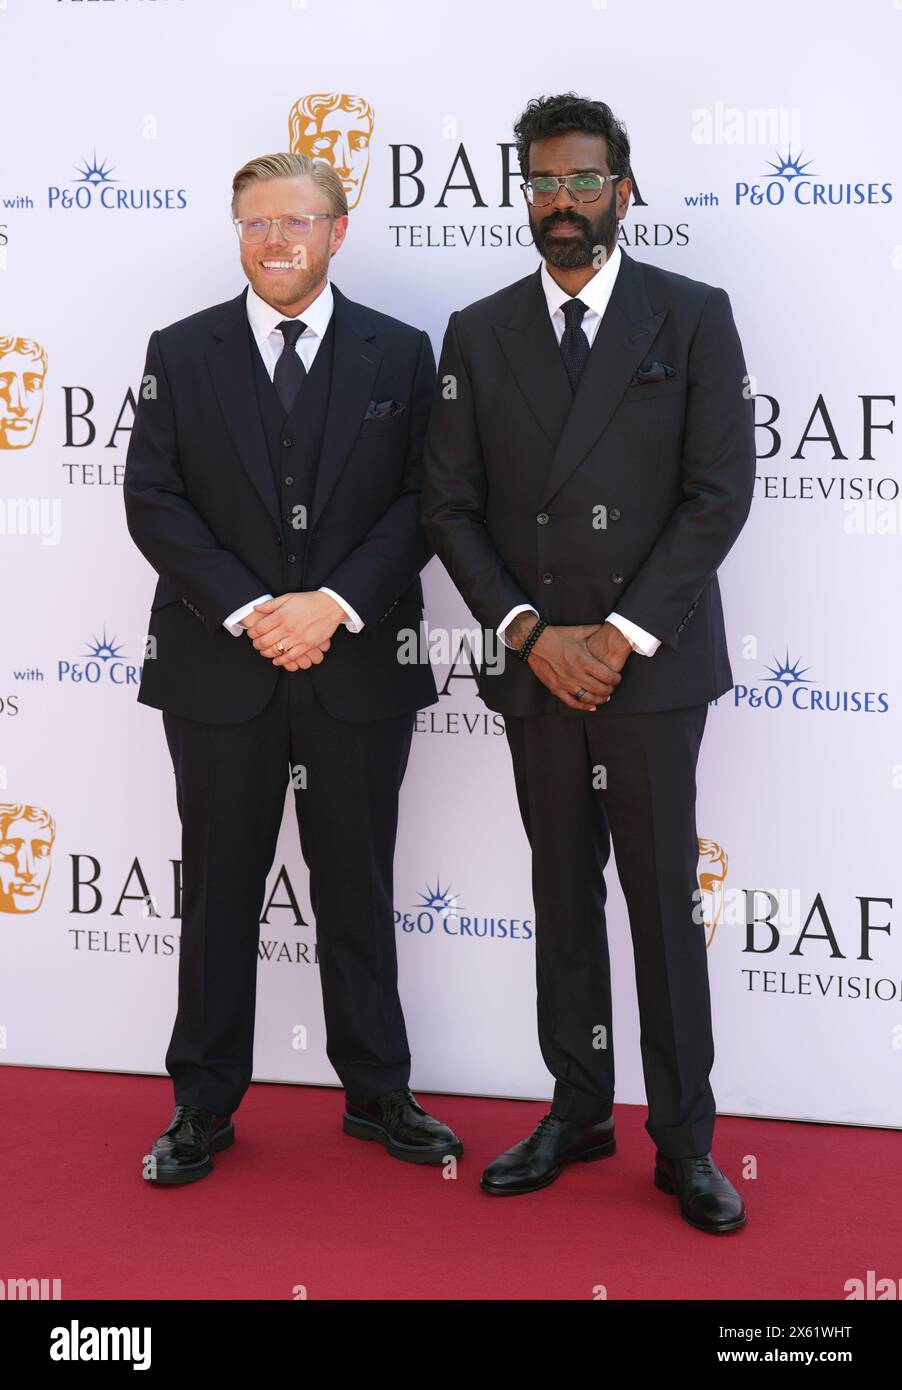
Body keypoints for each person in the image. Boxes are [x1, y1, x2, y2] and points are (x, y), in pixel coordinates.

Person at [421, 94, 755, 1233]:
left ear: (623, 186)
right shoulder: (478, 329)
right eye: (540, 183)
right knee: (559, 896)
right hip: (535, 664)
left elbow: (718, 497)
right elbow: (450, 506)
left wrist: (615, 637)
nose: (559, 202)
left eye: (580, 180)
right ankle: (576, 1106)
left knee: (660, 904)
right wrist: (527, 630)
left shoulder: (692, 316)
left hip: (646, 671)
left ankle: (685, 1140)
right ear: (523, 194)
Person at [124, 151, 461, 1185]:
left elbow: (424, 502)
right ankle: (201, 1104)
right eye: (255, 222)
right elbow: (153, 498)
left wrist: (332, 605)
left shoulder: (402, 355)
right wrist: (250, 609)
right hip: (218, 669)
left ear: (338, 230)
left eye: (297, 221)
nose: (275, 240)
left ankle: (376, 1090)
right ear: (237, 233)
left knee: (355, 883)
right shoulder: (180, 352)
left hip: (355, 665)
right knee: (218, 890)